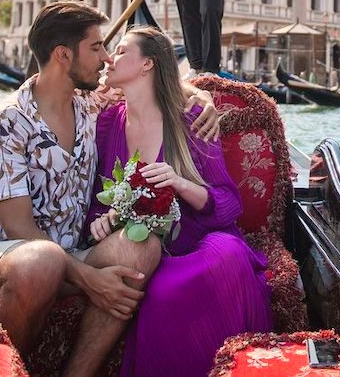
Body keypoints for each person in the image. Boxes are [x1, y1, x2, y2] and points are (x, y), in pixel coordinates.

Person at [0, 2, 220, 376]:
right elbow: (20, 232)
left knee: (141, 244)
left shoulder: (89, 104)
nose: (106, 58)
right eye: (96, 47)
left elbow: (156, 79)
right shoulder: (4, 122)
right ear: (63, 55)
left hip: (74, 253)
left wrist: (201, 96)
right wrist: (92, 281)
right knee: (40, 260)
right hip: (2, 258)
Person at [87, 26, 273, 377]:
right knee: (156, 288)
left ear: (147, 65)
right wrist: (100, 219)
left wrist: (180, 183)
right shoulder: (107, 124)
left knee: (226, 256)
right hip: (143, 249)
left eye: (123, 50)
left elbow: (229, 202)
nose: (110, 58)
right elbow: (98, 200)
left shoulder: (191, 120)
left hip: (199, 240)